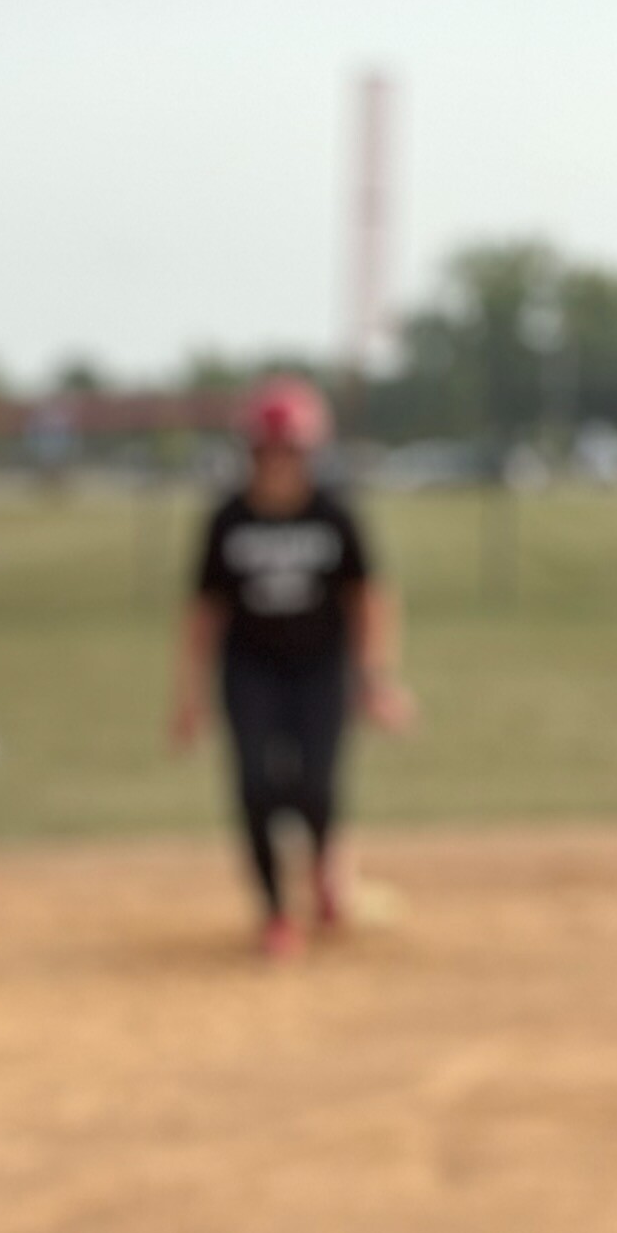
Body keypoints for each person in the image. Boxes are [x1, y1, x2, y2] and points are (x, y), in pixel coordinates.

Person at [167, 376, 416, 957]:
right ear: (250, 452)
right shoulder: (229, 520)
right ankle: (277, 914)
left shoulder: (333, 515)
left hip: (320, 669)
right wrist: (189, 696)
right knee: (256, 785)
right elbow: (205, 612)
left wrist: (375, 679)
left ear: (311, 453)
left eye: (291, 451)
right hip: (250, 668)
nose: (279, 463)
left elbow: (368, 599)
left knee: (316, 788)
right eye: (268, 450)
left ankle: (328, 882)